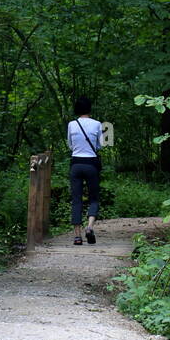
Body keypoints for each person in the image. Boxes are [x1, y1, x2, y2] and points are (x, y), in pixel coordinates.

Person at [67, 95, 104, 245]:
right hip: (91, 165)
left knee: (76, 200)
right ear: (89, 108)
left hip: (75, 164)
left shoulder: (71, 124)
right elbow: (100, 145)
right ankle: (89, 227)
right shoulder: (97, 124)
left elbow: (70, 145)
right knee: (94, 198)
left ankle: (77, 236)